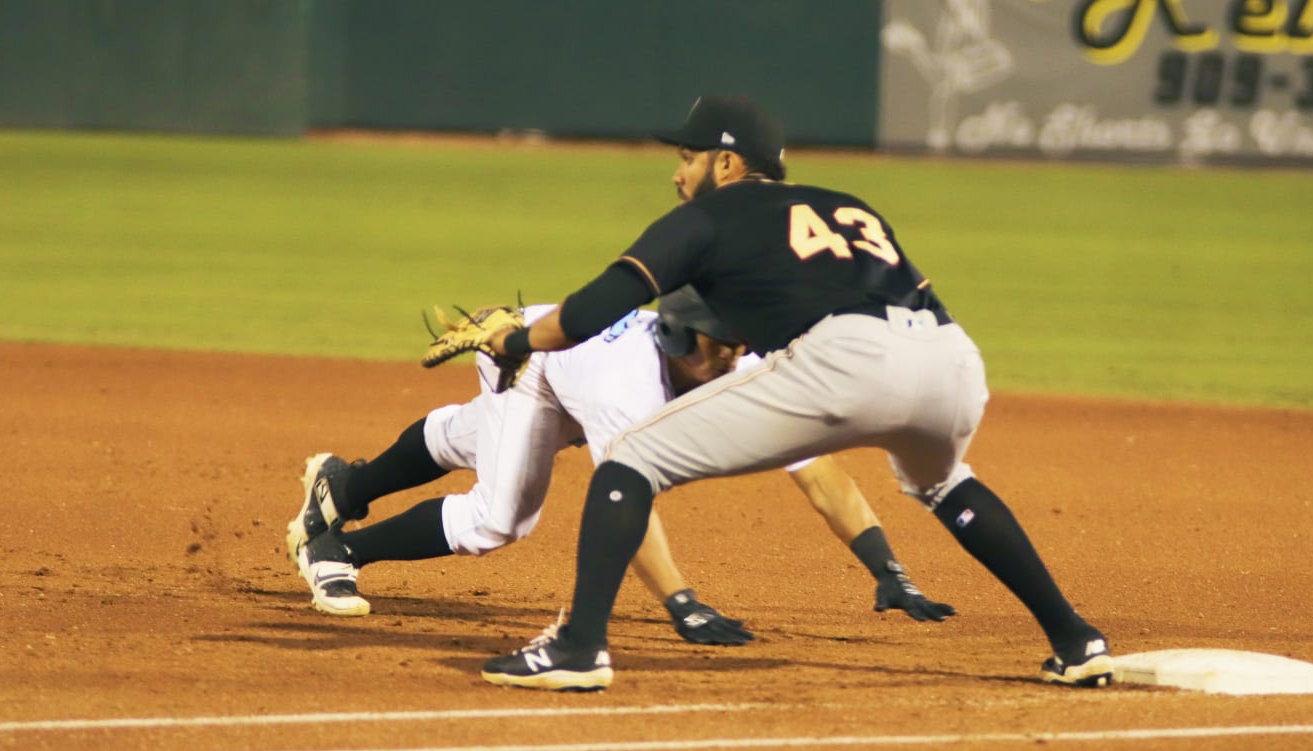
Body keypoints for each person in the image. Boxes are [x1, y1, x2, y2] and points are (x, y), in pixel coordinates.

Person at [479, 95, 1112, 691]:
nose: (678, 174)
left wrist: (517, 342)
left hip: (846, 358)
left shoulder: (705, 215)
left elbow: (594, 308)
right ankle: (1076, 639)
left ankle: (579, 647)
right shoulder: (847, 203)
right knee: (946, 484)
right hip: (950, 357)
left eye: (687, 157)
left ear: (725, 162)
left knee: (628, 459)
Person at [286, 287, 954, 645]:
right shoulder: (625, 387)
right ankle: (336, 547)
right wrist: (681, 604)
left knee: (472, 437)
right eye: (718, 345)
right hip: (533, 355)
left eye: (738, 344)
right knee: (501, 517)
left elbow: (818, 471)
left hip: (565, 359)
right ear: (676, 336)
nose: (732, 355)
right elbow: (624, 502)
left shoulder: (741, 362)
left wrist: (886, 567)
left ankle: (343, 485)